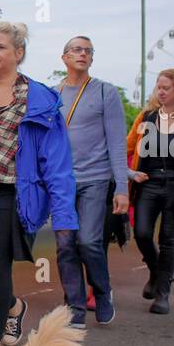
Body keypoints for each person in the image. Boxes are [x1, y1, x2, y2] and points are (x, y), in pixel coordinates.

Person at [0, 22, 79, 346]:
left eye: (0, 47)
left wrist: (64, 217)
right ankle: (14, 307)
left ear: (18, 53)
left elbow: (57, 164)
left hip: (13, 193)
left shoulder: (39, 100)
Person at [55, 36, 129, 326]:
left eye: (88, 50)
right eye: (76, 49)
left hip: (96, 179)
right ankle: (74, 306)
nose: (82, 53)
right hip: (61, 182)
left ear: (92, 59)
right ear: (64, 57)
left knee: (88, 240)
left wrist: (121, 187)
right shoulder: (52, 94)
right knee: (64, 245)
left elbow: (117, 144)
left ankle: (102, 291)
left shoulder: (105, 93)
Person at [127, 69, 174, 314]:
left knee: (169, 240)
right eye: (159, 87)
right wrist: (129, 175)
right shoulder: (146, 117)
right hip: (148, 182)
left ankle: (163, 294)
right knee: (142, 233)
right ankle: (157, 273)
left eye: (166, 88)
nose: (161, 91)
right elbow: (126, 147)